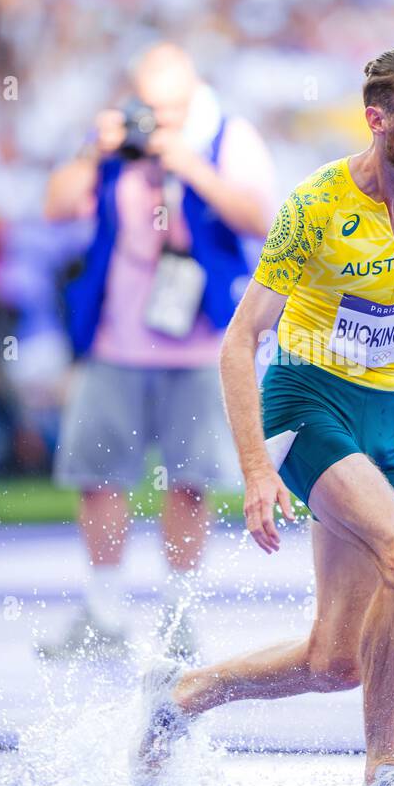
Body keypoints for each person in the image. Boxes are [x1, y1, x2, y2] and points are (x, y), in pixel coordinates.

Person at [130, 47, 394, 786]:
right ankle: (386, 771)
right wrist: (256, 472)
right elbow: (239, 343)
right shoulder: (315, 206)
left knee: (337, 660)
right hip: (305, 403)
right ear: (378, 120)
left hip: (384, 417)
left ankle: (186, 693)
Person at [41, 44, 276, 660]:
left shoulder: (229, 136)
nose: (161, 120)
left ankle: (179, 616)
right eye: (153, 108)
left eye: (172, 108)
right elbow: (57, 204)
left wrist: (191, 166)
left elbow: (260, 218)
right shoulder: (118, 144)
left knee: (192, 482)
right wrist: (97, 149)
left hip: (201, 346)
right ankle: (103, 611)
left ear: (195, 94)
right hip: (115, 341)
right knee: (96, 477)